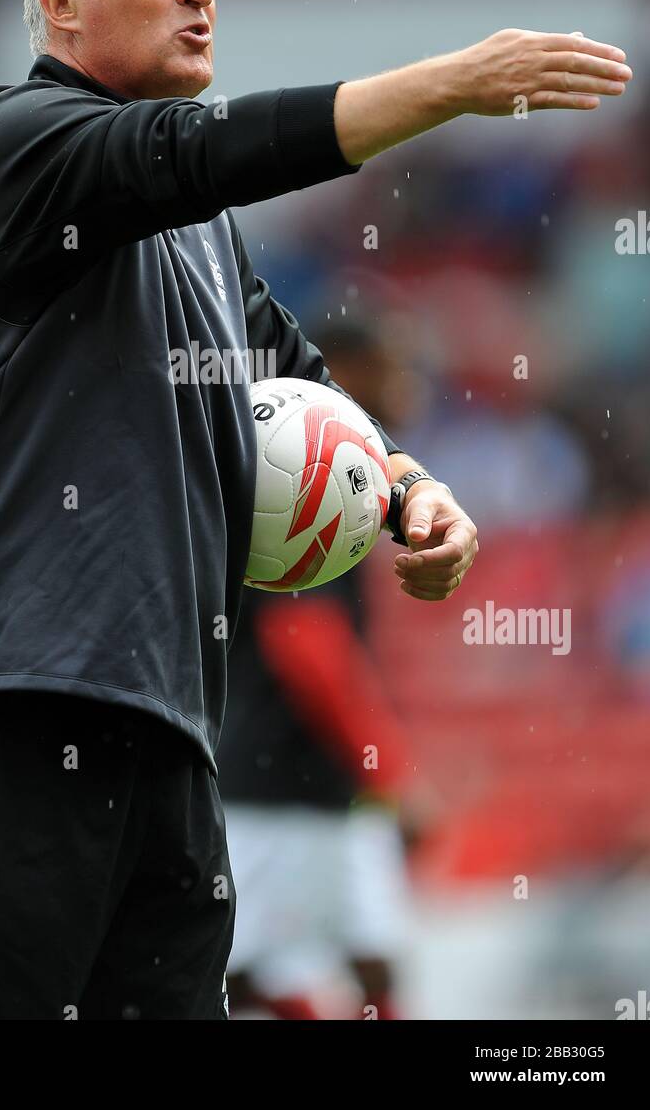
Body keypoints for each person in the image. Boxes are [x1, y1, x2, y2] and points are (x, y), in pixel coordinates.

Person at [0, 0, 629, 1020]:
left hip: (170, 738)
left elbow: (302, 381)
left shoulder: (200, 236)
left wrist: (409, 490)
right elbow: (208, 149)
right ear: (58, 4)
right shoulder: (8, 142)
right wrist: (453, 83)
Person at [217, 315, 424, 1020]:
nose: (406, 387)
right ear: (344, 372)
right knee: (250, 973)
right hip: (280, 778)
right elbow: (306, 642)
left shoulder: (314, 468)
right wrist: (388, 770)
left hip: (299, 780)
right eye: (389, 367)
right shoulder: (312, 470)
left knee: (351, 965)